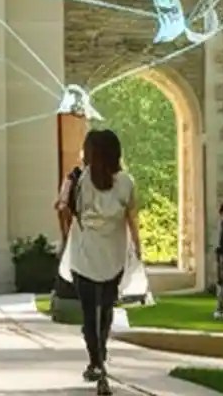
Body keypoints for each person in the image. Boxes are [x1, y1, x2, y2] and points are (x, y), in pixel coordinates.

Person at [61, 129, 140, 396]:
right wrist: (138, 248)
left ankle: (95, 360)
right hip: (113, 254)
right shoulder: (126, 182)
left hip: (84, 254)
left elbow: (65, 210)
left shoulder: (81, 180)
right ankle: (101, 356)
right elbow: (132, 217)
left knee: (88, 312)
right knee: (105, 309)